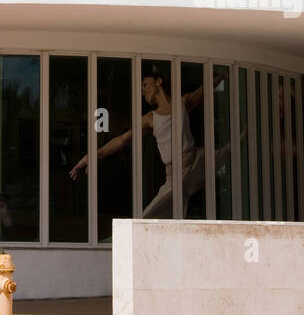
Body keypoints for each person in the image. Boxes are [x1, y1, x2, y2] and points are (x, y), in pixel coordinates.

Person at [69, 66, 210, 218]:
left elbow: (205, 89)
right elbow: (121, 140)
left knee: (231, 150)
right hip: (174, 175)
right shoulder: (150, 118)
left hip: (196, 159)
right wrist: (93, 155)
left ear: (159, 81)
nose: (143, 91)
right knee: (147, 218)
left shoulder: (182, 103)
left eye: (145, 85)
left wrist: (223, 76)